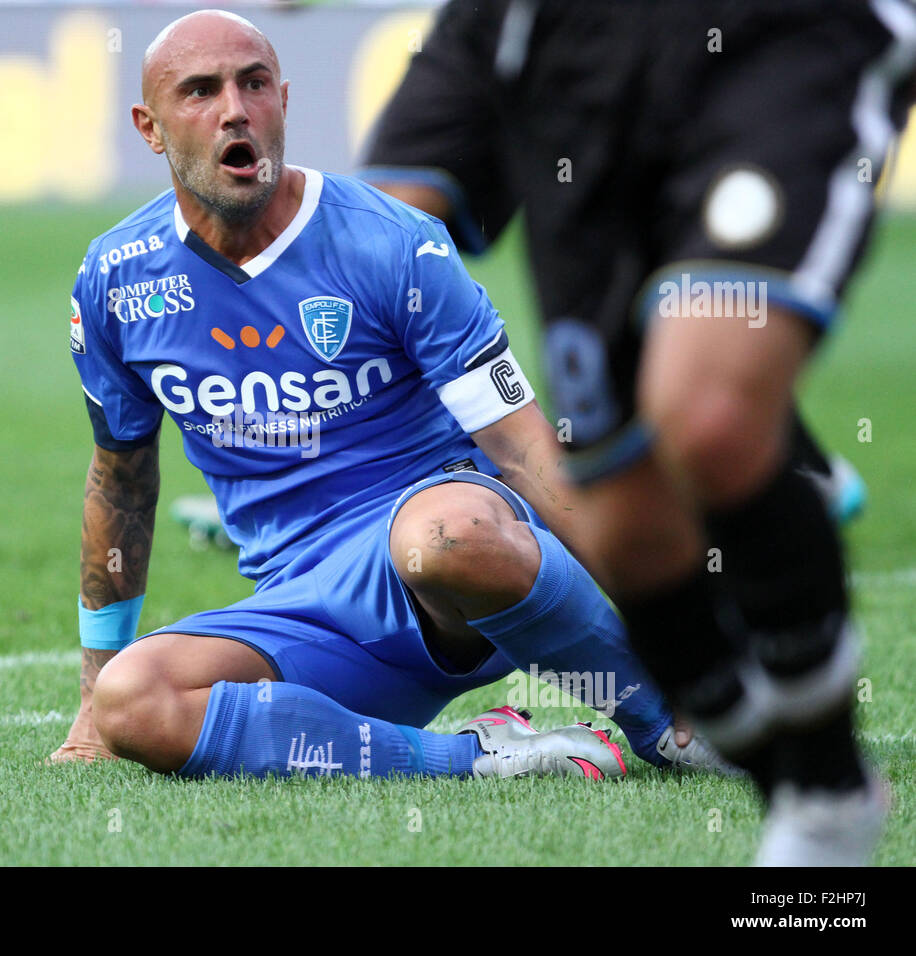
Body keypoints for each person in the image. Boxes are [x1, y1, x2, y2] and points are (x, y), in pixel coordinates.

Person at [51, 9, 733, 784]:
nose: (235, 109)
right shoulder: (117, 280)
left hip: (462, 565)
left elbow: (526, 449)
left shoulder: (393, 242)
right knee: (134, 700)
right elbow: (122, 478)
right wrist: (88, 698)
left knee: (445, 531)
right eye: (200, 92)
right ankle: (480, 760)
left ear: (283, 99)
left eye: (255, 84)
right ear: (150, 127)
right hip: (308, 611)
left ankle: (672, 720)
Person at [361, 0, 915, 863]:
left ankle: (822, 790)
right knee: (629, 529)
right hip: (540, 34)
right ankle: (799, 778)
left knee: (711, 421)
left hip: (769, 32)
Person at [357, 0, 869, 529]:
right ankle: (387, 497)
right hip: (490, 19)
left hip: (628, 27)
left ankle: (759, 446)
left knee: (647, 255)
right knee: (372, 240)